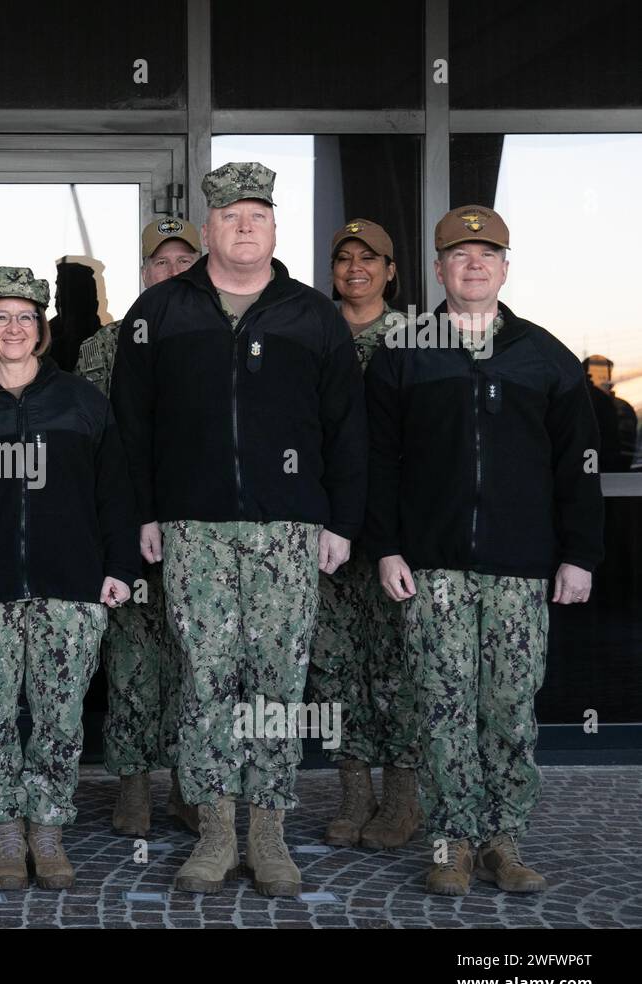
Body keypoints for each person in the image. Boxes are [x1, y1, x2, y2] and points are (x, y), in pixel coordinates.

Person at [111, 163, 367, 897]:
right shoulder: (160, 311)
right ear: (209, 229)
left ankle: (269, 832)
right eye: (230, 216)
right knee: (207, 679)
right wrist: (144, 512)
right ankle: (217, 831)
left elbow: (346, 428)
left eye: (257, 215)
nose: (245, 226)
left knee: (278, 682)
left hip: (288, 527)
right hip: (193, 528)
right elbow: (131, 426)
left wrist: (341, 520)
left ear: (276, 228)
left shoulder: (310, 315)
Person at [365, 206, 603, 895]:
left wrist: (581, 553)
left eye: (488, 254)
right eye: (460, 255)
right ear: (439, 269)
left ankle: (503, 841)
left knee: (508, 709)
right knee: (442, 710)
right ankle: (451, 846)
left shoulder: (544, 356)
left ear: (504, 268)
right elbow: (377, 460)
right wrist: (386, 547)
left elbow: (579, 464)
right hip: (432, 566)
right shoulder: (404, 351)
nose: (474, 264)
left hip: (519, 569)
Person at [0, 266, 140, 890]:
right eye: (1, 317)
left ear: (41, 327)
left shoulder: (81, 402)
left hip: (68, 589)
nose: (13, 328)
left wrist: (120, 568)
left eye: (25, 317)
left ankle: (47, 828)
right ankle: (6, 834)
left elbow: (114, 493)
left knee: (59, 719)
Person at [75, 216, 201, 836]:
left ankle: (187, 783)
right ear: (143, 272)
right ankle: (131, 784)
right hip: (126, 521)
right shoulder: (104, 346)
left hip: (195, 522)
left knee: (193, 658)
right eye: (161, 261)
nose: (172, 271)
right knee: (129, 659)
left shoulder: (214, 334)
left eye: (184, 261)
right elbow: (88, 442)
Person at [308, 219, 421, 850]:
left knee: (398, 662)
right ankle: (354, 794)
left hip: (394, 530)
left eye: (369, 259)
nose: (356, 268)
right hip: (325, 525)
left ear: (391, 270)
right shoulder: (312, 330)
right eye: (344, 258)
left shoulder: (417, 337)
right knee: (333, 665)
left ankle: (402, 798)